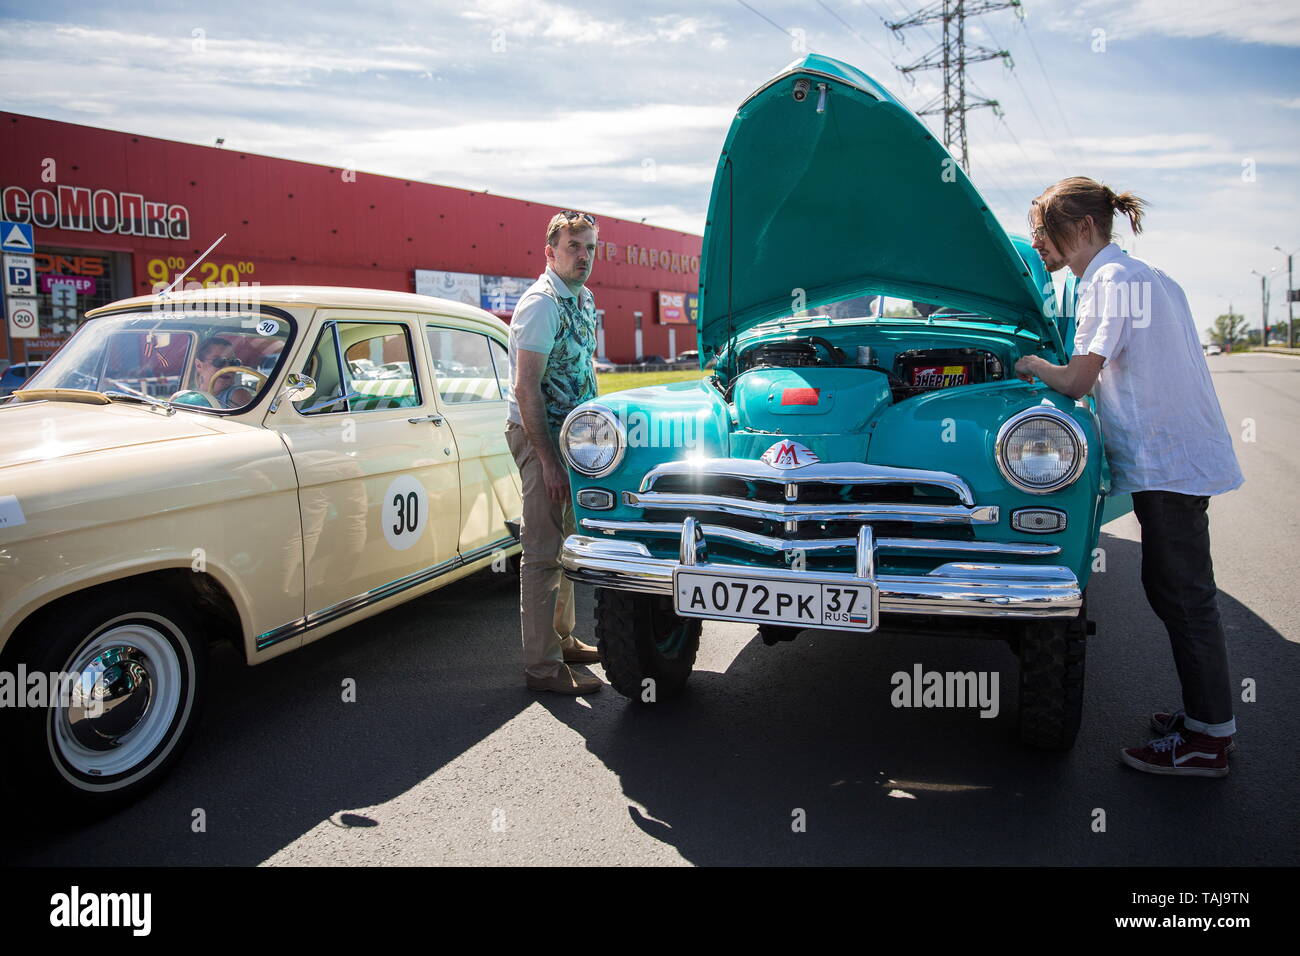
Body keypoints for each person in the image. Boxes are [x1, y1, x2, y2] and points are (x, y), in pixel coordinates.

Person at [1015, 177, 1244, 777]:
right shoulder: (1149, 276)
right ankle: (1205, 720)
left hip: (1168, 462)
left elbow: (1077, 380)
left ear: (1083, 228)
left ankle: (1208, 742)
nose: (1038, 244)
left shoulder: (1106, 283)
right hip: (1181, 457)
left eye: (1043, 232)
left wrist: (1032, 363)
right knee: (1179, 591)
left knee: (1183, 596)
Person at [505, 211, 604, 694]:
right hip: (539, 435)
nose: (583, 256)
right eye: (573, 247)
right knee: (543, 551)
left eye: (589, 247)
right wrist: (546, 460)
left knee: (567, 543)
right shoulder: (541, 305)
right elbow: (526, 388)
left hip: (576, 439)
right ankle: (541, 668)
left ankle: (563, 639)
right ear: (550, 251)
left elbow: (583, 368)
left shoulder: (583, 298)